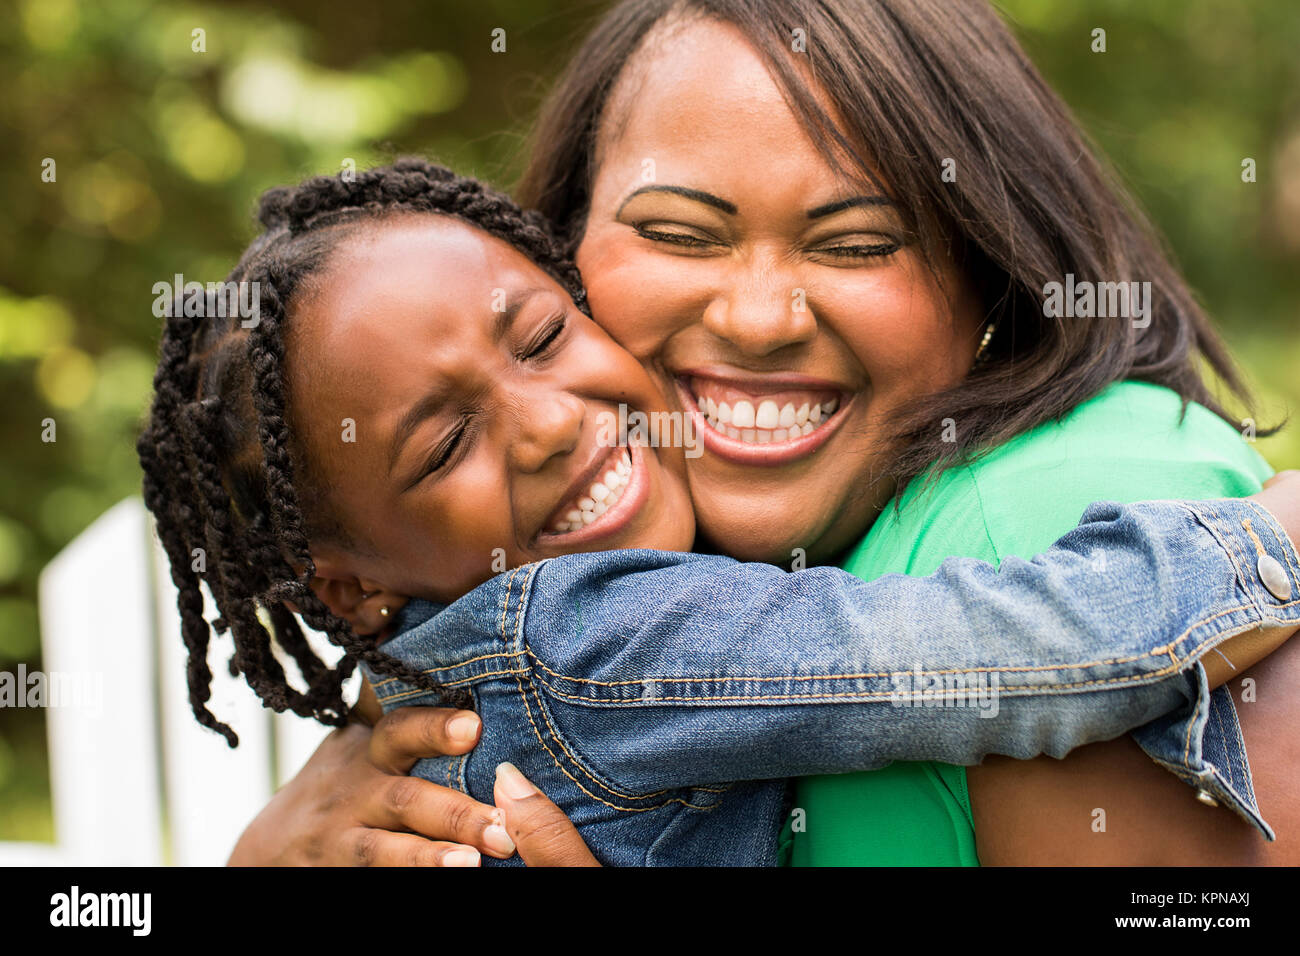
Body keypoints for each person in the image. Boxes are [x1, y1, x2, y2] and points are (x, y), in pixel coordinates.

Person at [227, 0, 1300, 865]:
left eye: (855, 242)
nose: (755, 316)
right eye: (677, 232)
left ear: (991, 258)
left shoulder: (1032, 509)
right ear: (562, 241)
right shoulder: (553, 635)